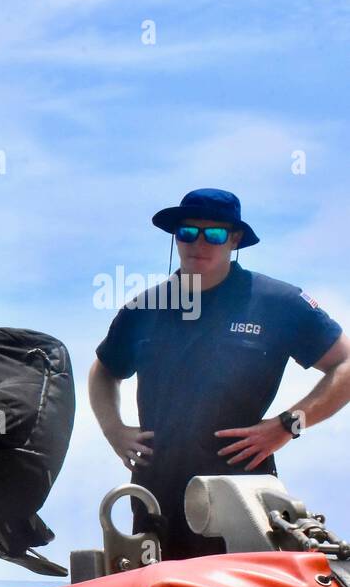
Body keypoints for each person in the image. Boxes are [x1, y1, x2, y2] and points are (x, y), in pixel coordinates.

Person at [90, 189, 350, 558]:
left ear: (235, 239)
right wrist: (113, 430)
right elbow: (103, 371)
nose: (199, 243)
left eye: (213, 234)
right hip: (155, 494)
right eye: (187, 233)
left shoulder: (278, 302)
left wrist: (288, 425)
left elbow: (345, 365)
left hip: (241, 491)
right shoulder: (143, 308)